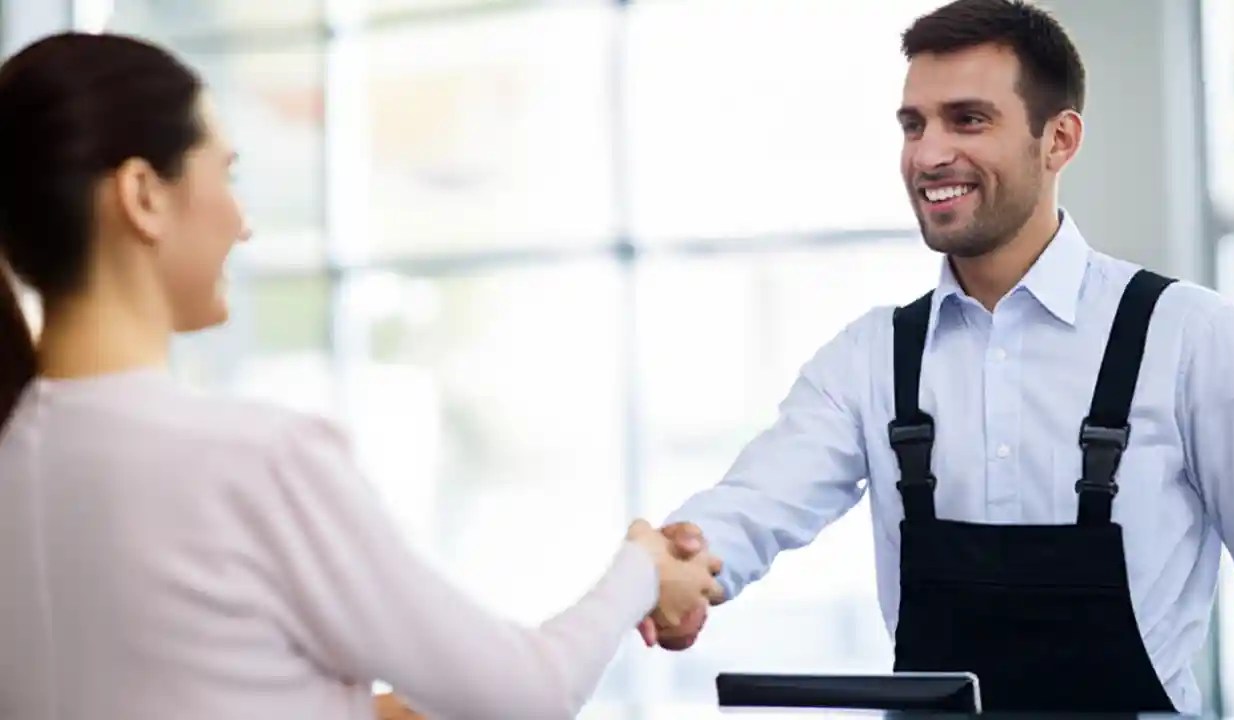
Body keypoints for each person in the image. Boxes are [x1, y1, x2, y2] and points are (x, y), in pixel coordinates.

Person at [0, 32, 722, 720]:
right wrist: (641, 572)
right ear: (143, 195)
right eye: (226, 173)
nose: (243, 222)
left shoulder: (21, 453)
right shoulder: (252, 459)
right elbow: (531, 694)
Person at [637, 0, 1234, 713]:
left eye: (968, 120)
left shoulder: (1191, 339)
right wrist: (677, 566)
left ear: (1059, 139)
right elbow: (756, 502)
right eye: (914, 125)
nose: (928, 154)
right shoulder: (871, 359)